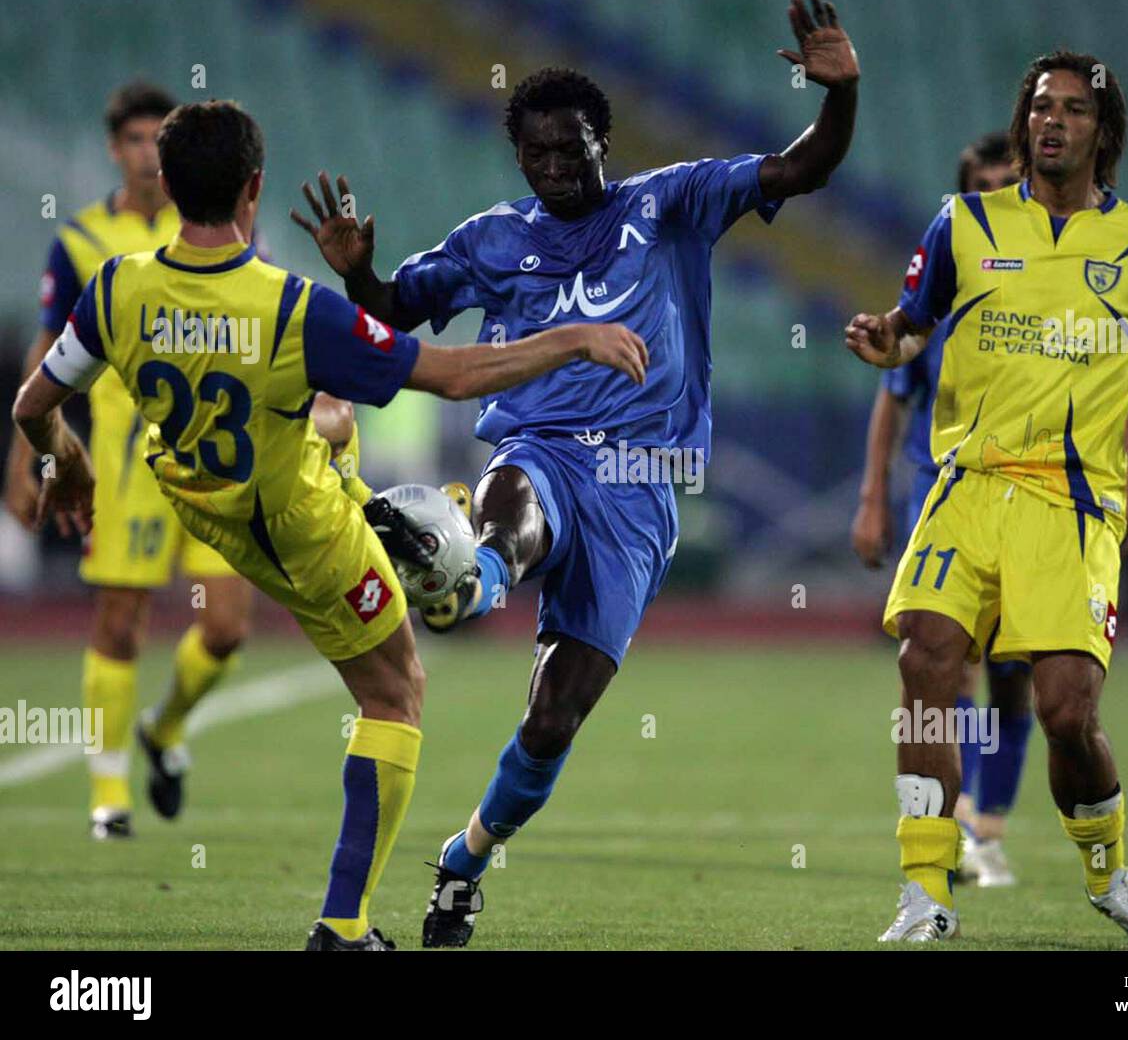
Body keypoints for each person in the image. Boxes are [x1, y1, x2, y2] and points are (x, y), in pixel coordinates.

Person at [12, 100, 650, 950]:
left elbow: (34, 406)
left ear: (168, 186)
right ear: (255, 189)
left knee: (330, 430)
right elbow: (457, 375)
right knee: (395, 695)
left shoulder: (118, 288)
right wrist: (573, 338)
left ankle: (402, 521)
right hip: (298, 531)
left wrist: (68, 460)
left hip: (205, 503)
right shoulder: (293, 308)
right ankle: (343, 928)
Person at [291, 0, 858, 946]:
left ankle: (464, 861)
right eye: (536, 153)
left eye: (571, 148)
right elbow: (393, 308)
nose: (554, 167)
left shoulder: (670, 202)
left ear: (604, 141)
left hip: (640, 489)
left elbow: (805, 165)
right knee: (516, 497)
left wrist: (840, 94)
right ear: (518, 156)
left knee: (553, 720)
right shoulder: (491, 241)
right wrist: (356, 271)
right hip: (542, 450)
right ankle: (470, 573)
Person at [844, 51, 1128, 942]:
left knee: (1066, 712)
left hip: (1071, 506)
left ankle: (1108, 874)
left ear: (1102, 131)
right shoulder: (964, 224)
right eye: (1042, 107)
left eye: (1075, 110)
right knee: (925, 666)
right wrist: (884, 343)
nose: (1054, 121)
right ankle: (926, 889)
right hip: (968, 486)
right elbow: (909, 327)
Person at [850, 131, 1128, 887]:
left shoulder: (1076, 285)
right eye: (984, 182)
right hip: (952, 491)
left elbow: (1116, 398)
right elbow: (893, 395)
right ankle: (940, 842)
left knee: (1031, 687)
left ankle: (988, 828)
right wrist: (872, 500)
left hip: (1051, 504)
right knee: (936, 673)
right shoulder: (951, 283)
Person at [2, 82, 257, 838]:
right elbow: (47, 350)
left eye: (160, 140)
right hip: (122, 465)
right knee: (119, 622)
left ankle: (165, 726)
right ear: (116, 148)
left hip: (213, 461)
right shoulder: (80, 242)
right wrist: (26, 458)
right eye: (136, 141)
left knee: (228, 629)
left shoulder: (214, 227)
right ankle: (108, 795)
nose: (149, 154)